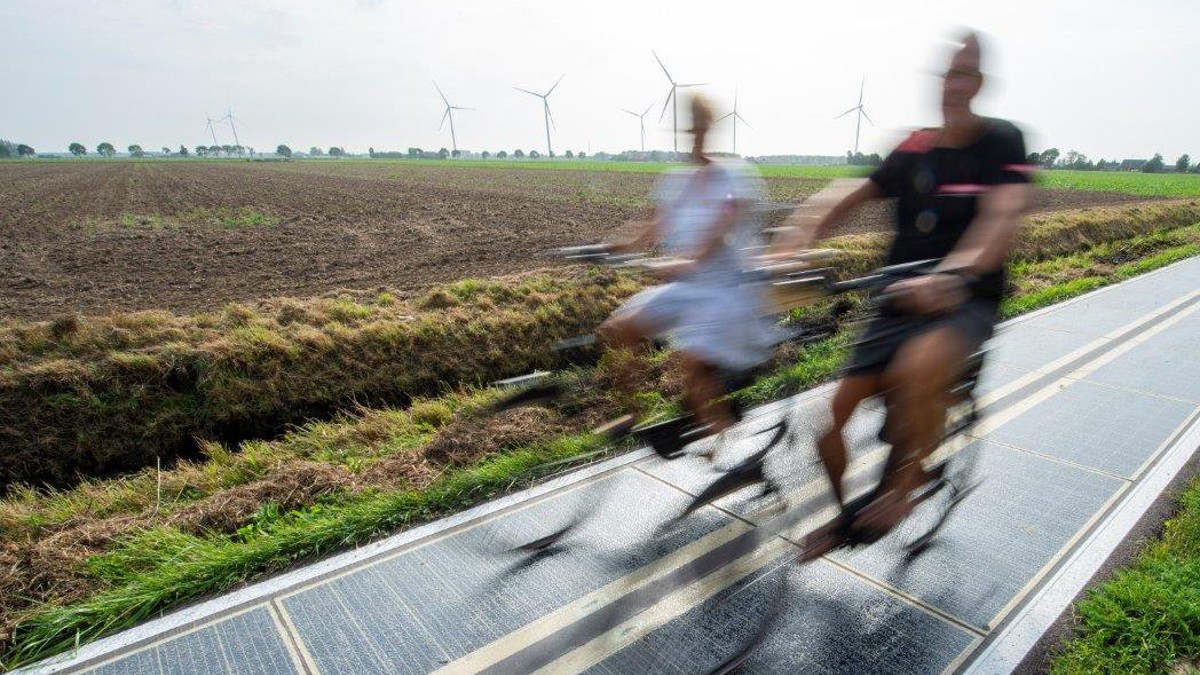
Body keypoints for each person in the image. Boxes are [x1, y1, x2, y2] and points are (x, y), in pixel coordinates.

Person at [776, 33, 1033, 548]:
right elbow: (850, 193)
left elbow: (1000, 218)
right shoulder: (913, 146)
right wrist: (799, 234)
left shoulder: (1003, 141)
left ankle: (904, 484)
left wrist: (954, 275)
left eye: (963, 75)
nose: (952, 86)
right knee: (829, 417)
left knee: (917, 365)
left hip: (964, 299)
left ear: (978, 84)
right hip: (895, 296)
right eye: (947, 75)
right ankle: (845, 514)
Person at [599, 93, 774, 446]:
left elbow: (725, 222)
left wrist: (694, 256)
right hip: (689, 287)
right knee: (620, 329)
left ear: (711, 129)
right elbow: (653, 223)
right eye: (690, 128)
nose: (695, 135)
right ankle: (633, 415)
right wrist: (612, 246)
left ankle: (735, 451)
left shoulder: (734, 177)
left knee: (691, 366)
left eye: (701, 127)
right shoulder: (675, 181)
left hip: (728, 292)